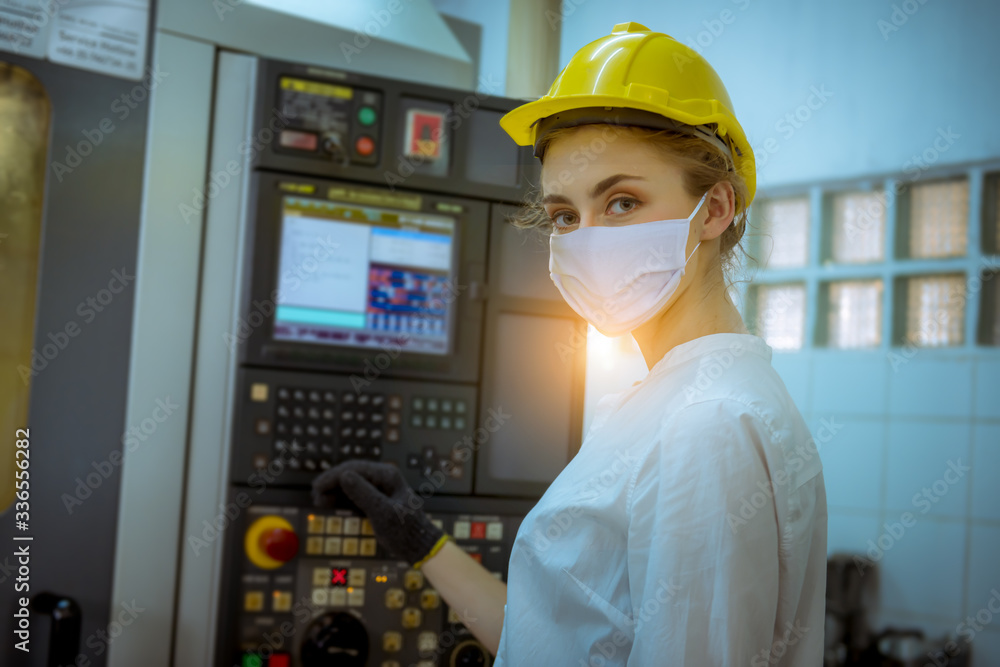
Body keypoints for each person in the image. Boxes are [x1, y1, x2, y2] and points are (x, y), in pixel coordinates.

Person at [312, 22, 827, 666]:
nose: (587, 239)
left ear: (716, 208)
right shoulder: (674, 398)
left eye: (621, 202)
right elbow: (559, 644)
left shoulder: (707, 425)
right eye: (564, 215)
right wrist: (422, 542)